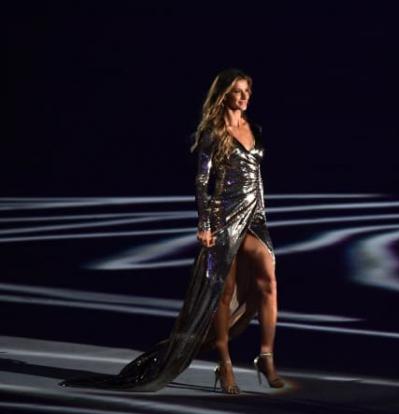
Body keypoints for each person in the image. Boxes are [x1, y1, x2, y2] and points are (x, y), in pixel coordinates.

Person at [58, 68, 284, 394]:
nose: (245, 97)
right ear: (225, 94)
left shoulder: (256, 130)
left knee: (268, 282)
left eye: (247, 90)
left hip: (254, 215)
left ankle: (265, 356)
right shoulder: (213, 133)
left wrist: (262, 213)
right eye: (238, 91)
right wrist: (205, 224)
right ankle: (225, 362)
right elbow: (202, 183)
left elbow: (258, 178)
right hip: (223, 216)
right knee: (222, 291)